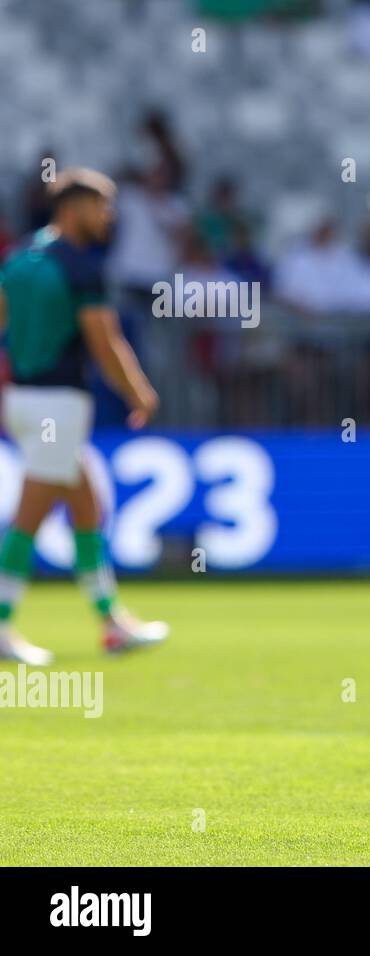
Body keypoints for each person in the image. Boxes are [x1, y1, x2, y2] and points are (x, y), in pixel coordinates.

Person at [0, 168, 169, 664]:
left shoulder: (21, 258)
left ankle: (112, 621)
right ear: (73, 208)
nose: (108, 216)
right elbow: (105, 341)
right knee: (29, 519)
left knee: (86, 502)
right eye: (102, 206)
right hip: (58, 404)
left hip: (24, 401)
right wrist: (139, 393)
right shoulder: (81, 267)